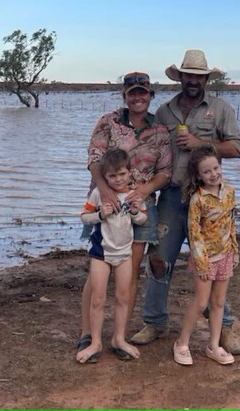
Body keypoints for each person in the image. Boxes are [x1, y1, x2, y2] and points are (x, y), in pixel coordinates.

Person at [130, 49, 240, 355]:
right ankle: (155, 322)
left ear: (206, 79)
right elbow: (150, 148)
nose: (193, 80)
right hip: (170, 196)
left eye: (199, 75)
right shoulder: (165, 112)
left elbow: (238, 148)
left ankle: (225, 328)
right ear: (180, 77)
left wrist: (202, 143)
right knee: (158, 261)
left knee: (211, 264)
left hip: (208, 200)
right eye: (188, 75)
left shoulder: (220, 109)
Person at [75, 72, 173, 361]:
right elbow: (94, 159)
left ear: (151, 95)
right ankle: (87, 335)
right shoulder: (109, 121)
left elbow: (165, 173)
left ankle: (119, 337)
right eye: (132, 92)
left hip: (140, 208)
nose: (138, 97)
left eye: (143, 92)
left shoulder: (160, 132)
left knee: (128, 275)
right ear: (125, 96)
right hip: (105, 207)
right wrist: (105, 192)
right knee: (97, 273)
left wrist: (142, 191)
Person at [76, 148, 148, 364]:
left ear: (130, 172)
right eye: (112, 176)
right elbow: (84, 217)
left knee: (123, 297)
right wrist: (100, 214)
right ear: (105, 176)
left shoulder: (134, 194)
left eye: (122, 174)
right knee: (98, 299)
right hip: (101, 254)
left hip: (124, 253)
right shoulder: (99, 194)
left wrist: (135, 212)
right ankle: (95, 342)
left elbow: (142, 219)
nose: (118, 179)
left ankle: (119, 338)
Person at [172, 144, 238, 366]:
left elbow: (231, 223)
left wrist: (234, 250)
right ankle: (182, 343)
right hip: (205, 259)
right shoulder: (197, 200)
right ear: (199, 176)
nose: (213, 174)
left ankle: (214, 345)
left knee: (218, 302)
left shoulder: (229, 192)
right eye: (207, 171)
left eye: (216, 168)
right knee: (201, 303)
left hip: (225, 254)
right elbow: (194, 233)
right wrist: (201, 263)